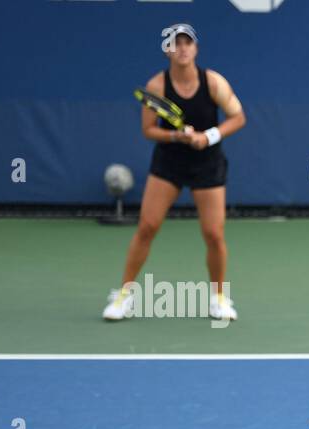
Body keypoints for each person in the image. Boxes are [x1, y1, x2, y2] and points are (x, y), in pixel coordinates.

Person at [103, 23, 246, 322]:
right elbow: (148, 131)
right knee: (148, 227)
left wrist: (208, 137)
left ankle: (219, 298)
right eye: (176, 43)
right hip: (169, 163)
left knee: (213, 233)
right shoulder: (157, 86)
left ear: (195, 48)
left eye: (187, 43)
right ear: (167, 50)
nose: (182, 48)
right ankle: (123, 296)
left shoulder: (213, 83)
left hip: (207, 163)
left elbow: (238, 117)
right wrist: (177, 137)